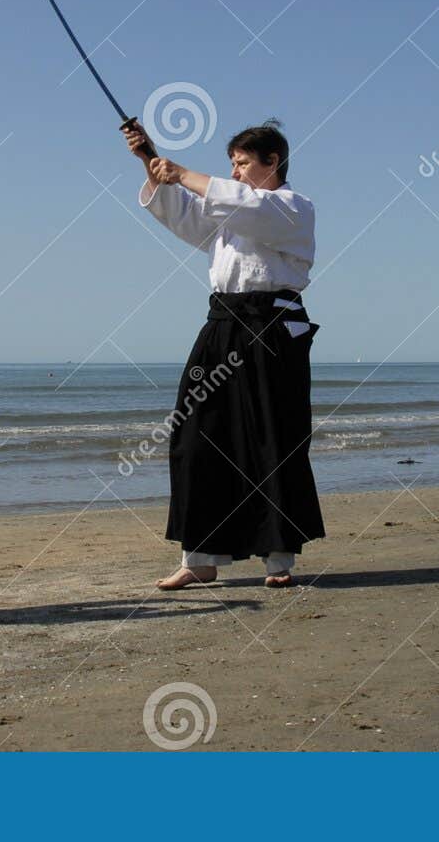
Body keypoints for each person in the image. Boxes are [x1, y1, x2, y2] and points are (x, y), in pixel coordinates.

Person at [125, 118, 325, 590]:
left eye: (242, 163)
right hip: (222, 326)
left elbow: (242, 204)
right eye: (231, 165)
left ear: (272, 161)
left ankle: (279, 560)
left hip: (272, 328)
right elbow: (187, 216)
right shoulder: (231, 213)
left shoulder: (293, 208)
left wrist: (181, 170)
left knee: (272, 439)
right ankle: (200, 557)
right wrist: (151, 164)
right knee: (195, 436)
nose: (234, 173)